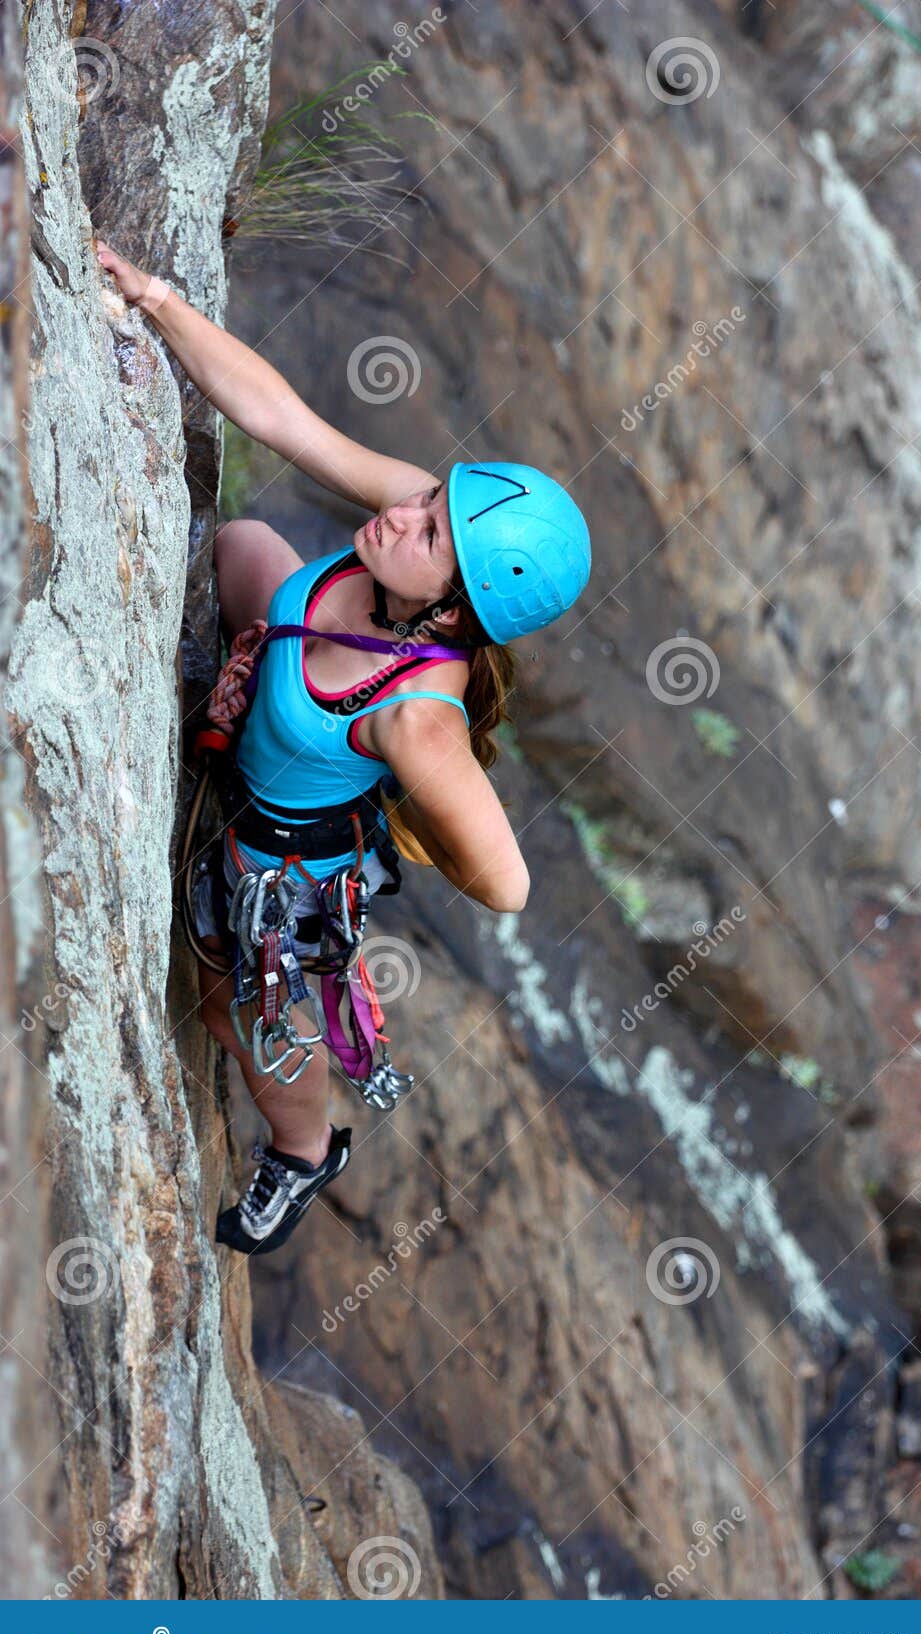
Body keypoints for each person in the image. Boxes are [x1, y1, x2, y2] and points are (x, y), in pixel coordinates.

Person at [94, 239, 591, 1254]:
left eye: (431, 531)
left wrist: (405, 816)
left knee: (234, 1009)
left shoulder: (417, 719)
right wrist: (154, 300)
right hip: (278, 686)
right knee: (243, 549)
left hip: (283, 846)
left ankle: (305, 1146)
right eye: (427, 499)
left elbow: (506, 885)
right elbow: (282, 417)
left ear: (453, 605)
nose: (406, 510)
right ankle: (245, 688)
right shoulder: (409, 529)